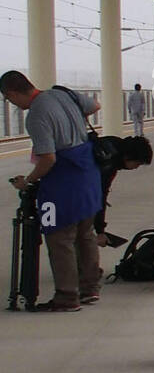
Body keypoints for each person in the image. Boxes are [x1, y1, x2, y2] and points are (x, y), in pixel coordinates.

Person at [1, 71, 102, 311]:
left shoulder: (36, 115)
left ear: (13, 93)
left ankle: (67, 297)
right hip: (87, 176)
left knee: (59, 239)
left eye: (9, 100)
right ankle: (90, 289)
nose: (13, 105)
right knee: (86, 234)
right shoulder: (61, 93)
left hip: (61, 185)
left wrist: (27, 181)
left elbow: (48, 158)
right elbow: (95, 104)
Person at [93, 135, 153, 246]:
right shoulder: (109, 163)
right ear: (128, 157)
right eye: (138, 163)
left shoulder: (111, 145)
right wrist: (100, 231)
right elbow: (100, 195)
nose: (136, 167)